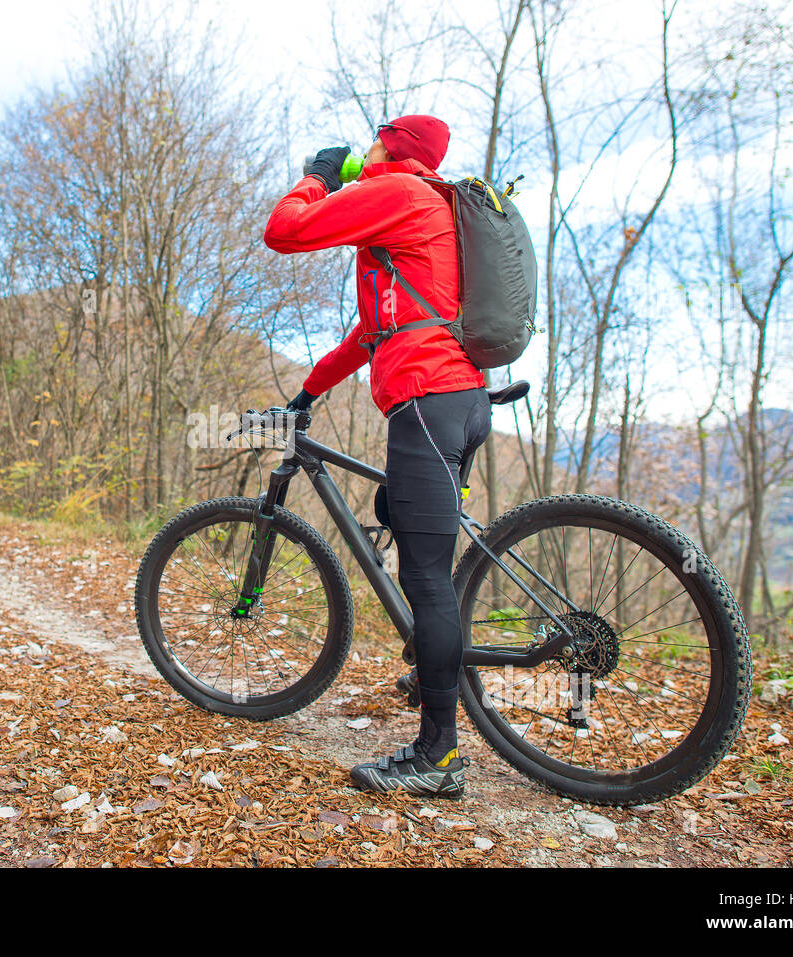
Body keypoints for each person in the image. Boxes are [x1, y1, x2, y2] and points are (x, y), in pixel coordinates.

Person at [263, 114, 491, 798]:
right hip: (459, 400)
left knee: (426, 576)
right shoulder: (427, 215)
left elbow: (286, 230)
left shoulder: (401, 193)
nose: (361, 150)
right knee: (401, 516)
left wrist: (318, 176)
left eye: (371, 140)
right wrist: (306, 392)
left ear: (389, 148)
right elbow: (372, 332)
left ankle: (438, 756)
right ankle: (435, 665)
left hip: (425, 398)